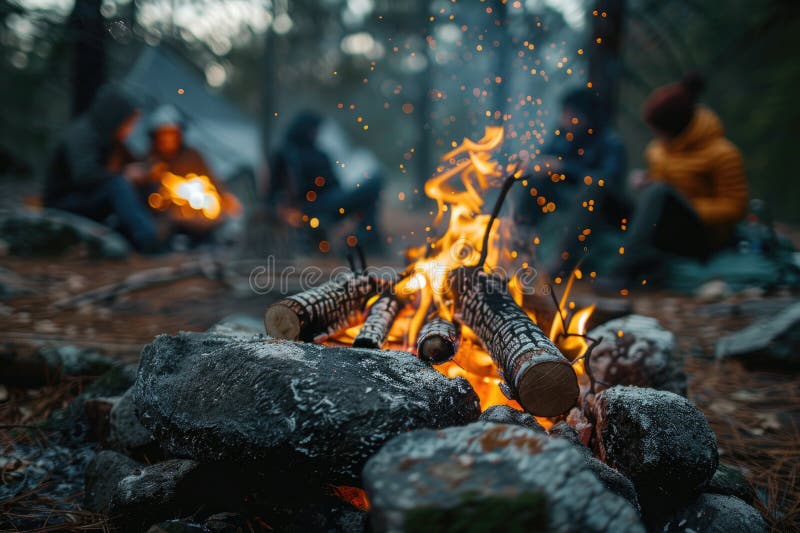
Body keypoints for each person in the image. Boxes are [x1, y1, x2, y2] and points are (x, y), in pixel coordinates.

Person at [608, 73, 749, 287]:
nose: (654, 135)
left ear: (676, 129)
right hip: (665, 228)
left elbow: (735, 207)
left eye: (659, 131)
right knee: (598, 186)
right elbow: (663, 182)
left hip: (702, 238)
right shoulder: (658, 150)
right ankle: (562, 262)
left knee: (658, 192)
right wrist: (647, 180)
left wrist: (685, 205)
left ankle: (624, 271)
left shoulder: (723, 153)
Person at [514, 88, 627, 272]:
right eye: (565, 113)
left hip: (600, 207)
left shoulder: (610, 142)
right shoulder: (563, 136)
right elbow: (548, 159)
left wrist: (564, 168)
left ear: (587, 116)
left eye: (571, 114)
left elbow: (609, 178)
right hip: (563, 198)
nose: (566, 119)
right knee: (534, 178)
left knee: (594, 183)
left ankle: (562, 259)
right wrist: (539, 166)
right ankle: (519, 243)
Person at [43, 84, 161, 253]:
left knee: (127, 186)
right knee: (117, 186)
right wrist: (124, 174)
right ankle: (149, 241)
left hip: (83, 200)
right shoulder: (81, 134)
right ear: (115, 117)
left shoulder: (107, 138)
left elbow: (128, 164)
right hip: (62, 203)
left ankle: (138, 239)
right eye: (129, 122)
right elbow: (84, 176)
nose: (130, 128)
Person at [268, 111, 383, 250]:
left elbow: (335, 183)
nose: (316, 133)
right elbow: (275, 190)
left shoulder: (315, 152)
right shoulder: (288, 154)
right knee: (374, 183)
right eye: (314, 129)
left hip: (329, 202)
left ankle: (365, 236)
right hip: (318, 207)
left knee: (370, 190)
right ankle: (366, 237)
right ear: (304, 129)